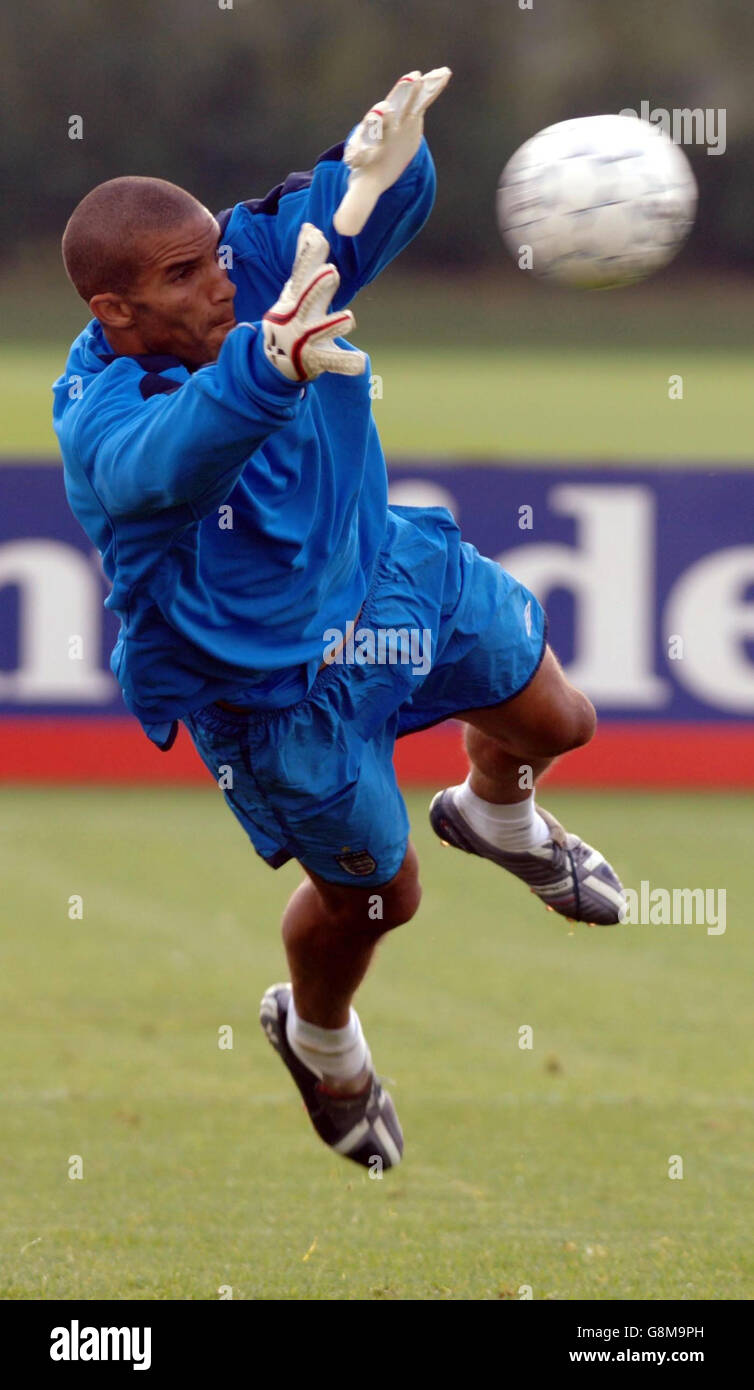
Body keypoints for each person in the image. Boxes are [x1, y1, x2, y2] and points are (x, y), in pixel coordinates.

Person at [53, 68, 623, 1174]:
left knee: (560, 721)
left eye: (213, 257)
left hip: (388, 579)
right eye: (180, 277)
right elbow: (158, 470)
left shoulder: (253, 260)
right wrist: (267, 367)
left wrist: (392, 165)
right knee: (378, 899)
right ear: (112, 311)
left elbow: (355, 214)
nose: (217, 284)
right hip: (271, 699)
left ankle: (496, 813)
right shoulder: (99, 410)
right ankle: (320, 1040)